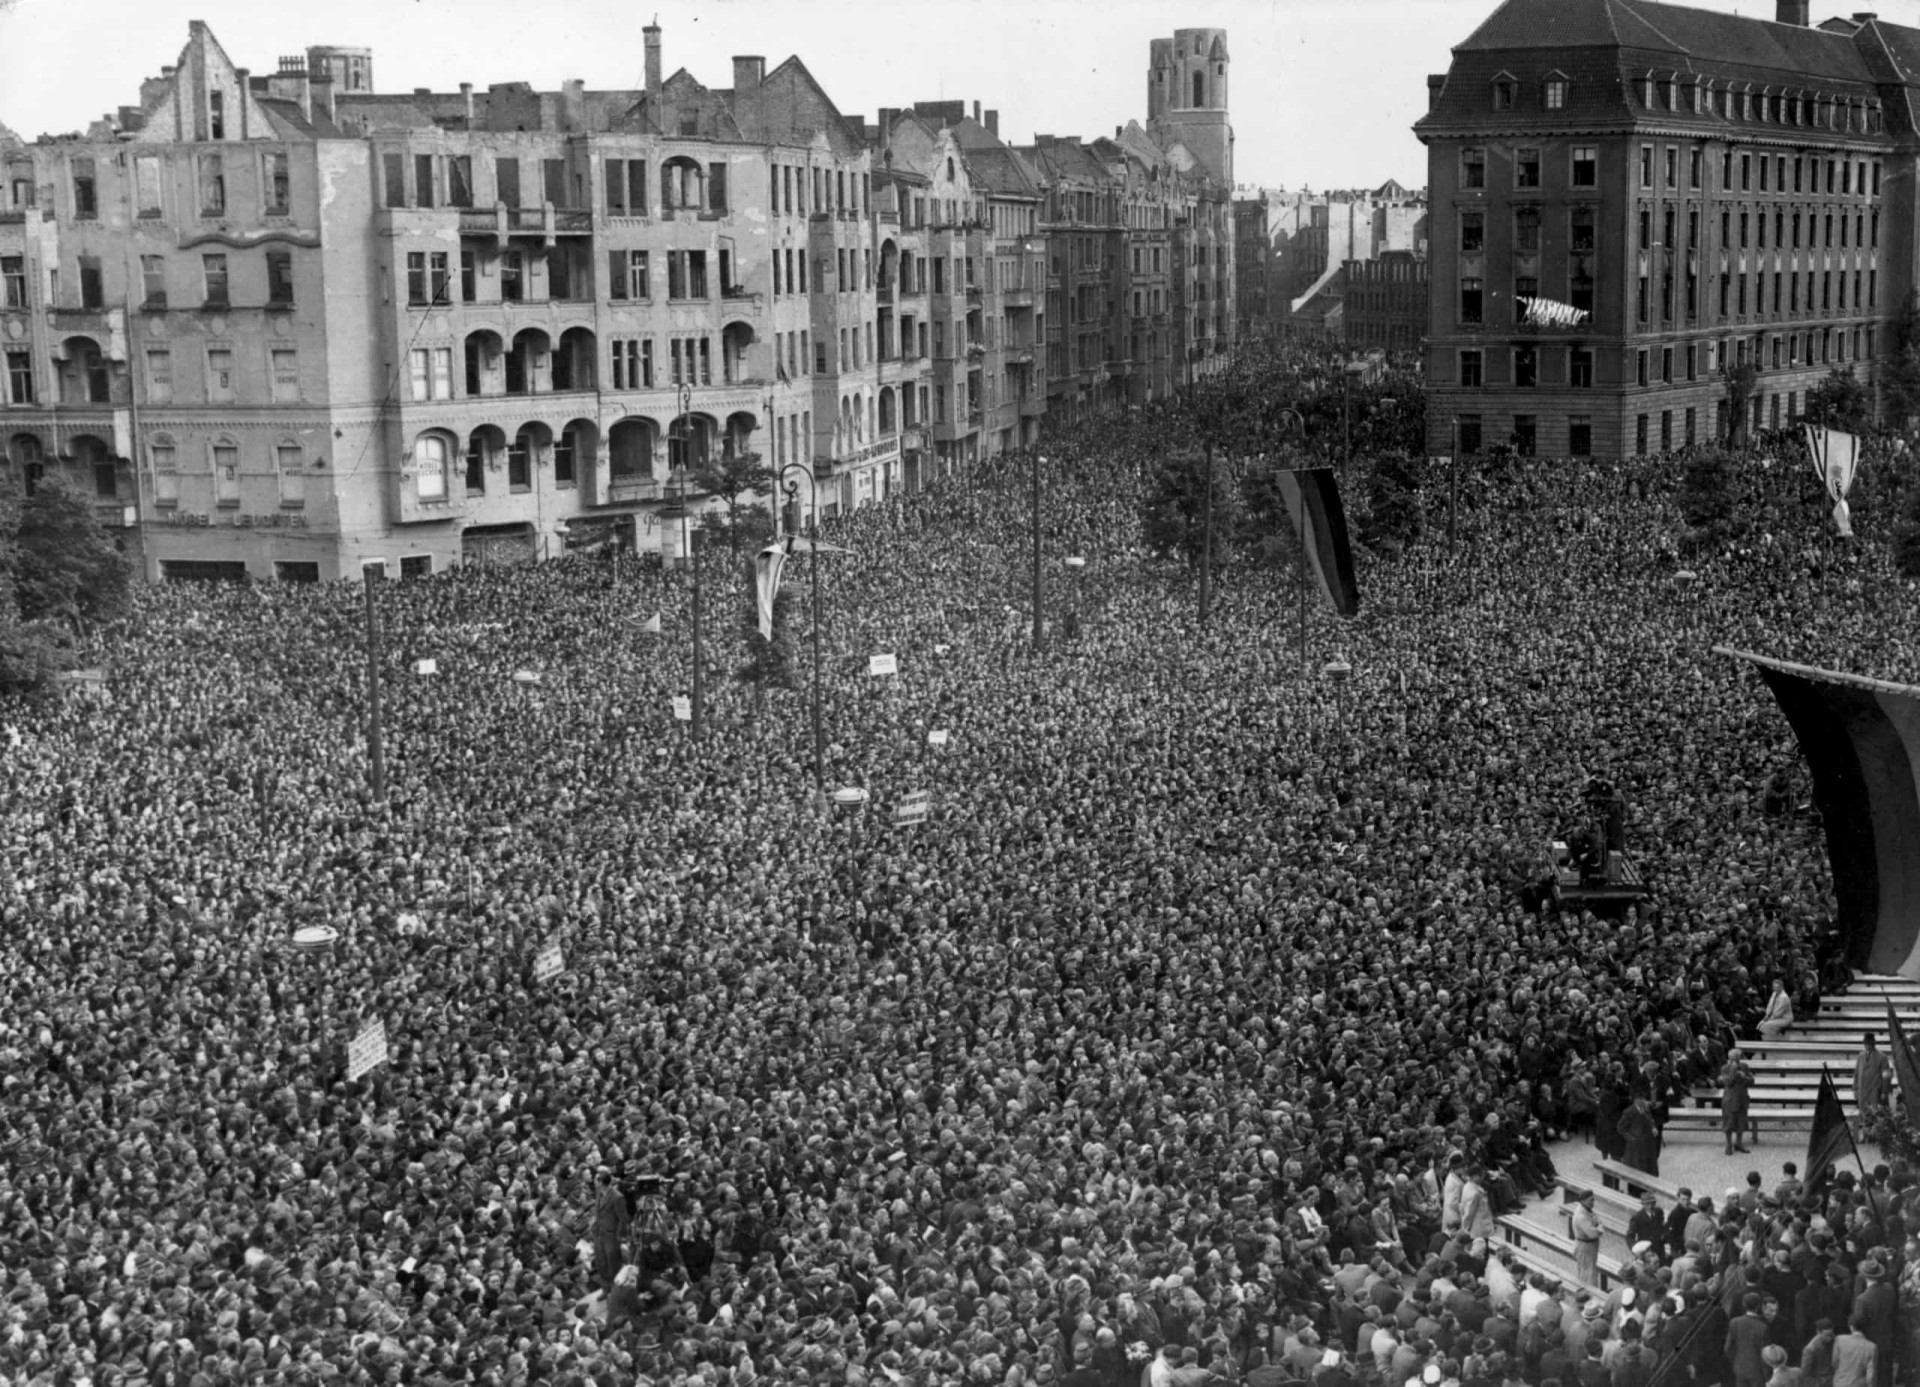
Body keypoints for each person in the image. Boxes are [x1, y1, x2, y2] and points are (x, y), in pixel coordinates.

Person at [1722, 1050, 1758, 1154]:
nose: (1736, 1061)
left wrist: (1745, 1077)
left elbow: (1752, 1081)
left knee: (1741, 1122)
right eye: (1733, 1059)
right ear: (1729, 1059)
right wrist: (1733, 1071)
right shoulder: (1725, 1068)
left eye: (1737, 1058)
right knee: (1729, 1123)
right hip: (1730, 1099)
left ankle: (1739, 1143)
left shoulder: (1744, 1066)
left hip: (1742, 1097)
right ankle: (1729, 1145)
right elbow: (1728, 1083)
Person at [1568, 1192, 1604, 1291]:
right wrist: (1598, 1229)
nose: (1593, 1202)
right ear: (1583, 1201)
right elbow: (1593, 1234)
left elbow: (1598, 1220)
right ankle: (1588, 1296)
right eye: (1591, 1200)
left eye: (1593, 1200)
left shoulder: (1587, 1210)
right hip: (1585, 1247)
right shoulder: (1581, 1216)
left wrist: (1598, 1227)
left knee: (1590, 1271)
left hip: (1590, 1247)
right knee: (1588, 1275)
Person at [1850, 1033, 1891, 1118]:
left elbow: (1886, 1076)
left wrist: (1884, 1091)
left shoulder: (1882, 1057)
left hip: (1875, 1091)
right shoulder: (1860, 1056)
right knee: (1864, 1114)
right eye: (1866, 1044)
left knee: (1875, 1115)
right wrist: (1854, 1088)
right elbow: (1856, 1073)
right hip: (1862, 1091)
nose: (1868, 1046)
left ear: (1873, 1044)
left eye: (1870, 1044)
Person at [1829, 1314, 1876, 1387]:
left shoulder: (1840, 1340)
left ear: (1851, 1326)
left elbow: (1834, 1363)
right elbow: (1871, 1375)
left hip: (1840, 1383)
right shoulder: (1871, 1347)